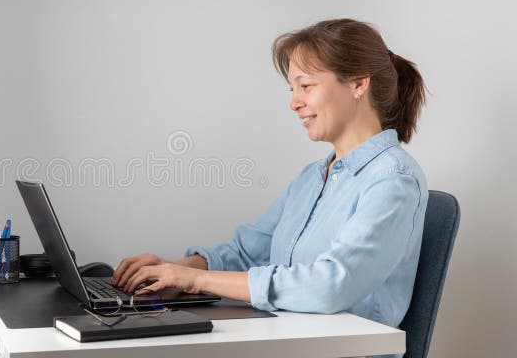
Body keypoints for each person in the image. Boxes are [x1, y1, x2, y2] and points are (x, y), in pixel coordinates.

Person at [112, 18, 429, 338]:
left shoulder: (393, 180)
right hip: (286, 338)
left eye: (306, 86)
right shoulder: (314, 178)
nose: (294, 102)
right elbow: (250, 251)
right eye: (293, 89)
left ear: (358, 84)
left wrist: (195, 281)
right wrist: (176, 270)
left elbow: (333, 285)